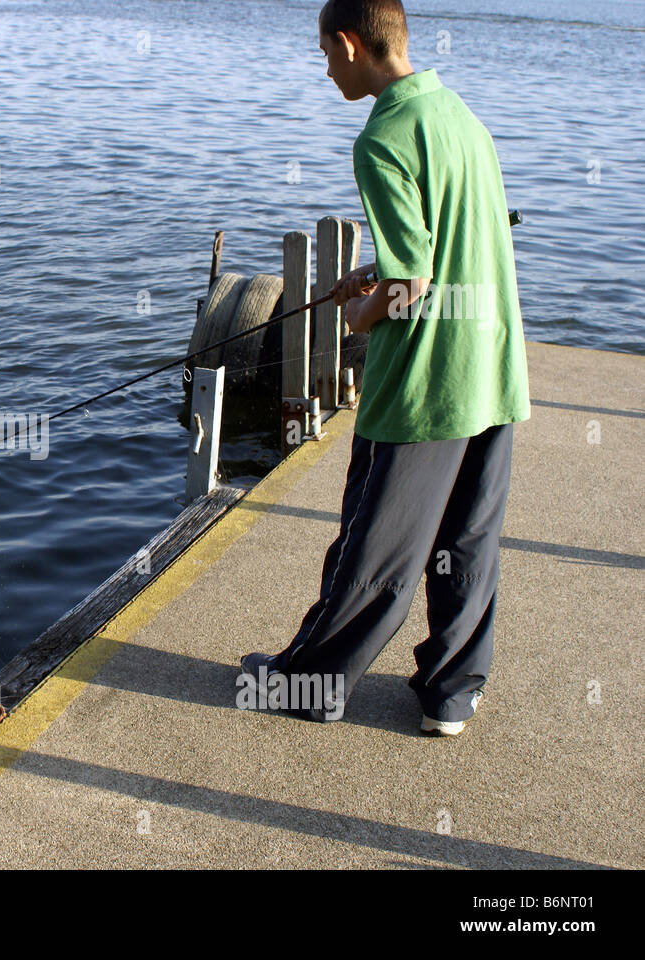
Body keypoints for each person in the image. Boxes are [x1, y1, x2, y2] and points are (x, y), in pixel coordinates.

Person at [239, 0, 530, 735]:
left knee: (375, 545)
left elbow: (414, 287)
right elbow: (462, 234)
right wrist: (375, 271)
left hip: (428, 382)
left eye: (325, 54)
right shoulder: (458, 115)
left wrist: (358, 314)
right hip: (493, 365)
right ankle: (451, 694)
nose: (326, 68)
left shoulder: (383, 138)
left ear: (349, 42)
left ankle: (309, 687)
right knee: (468, 537)